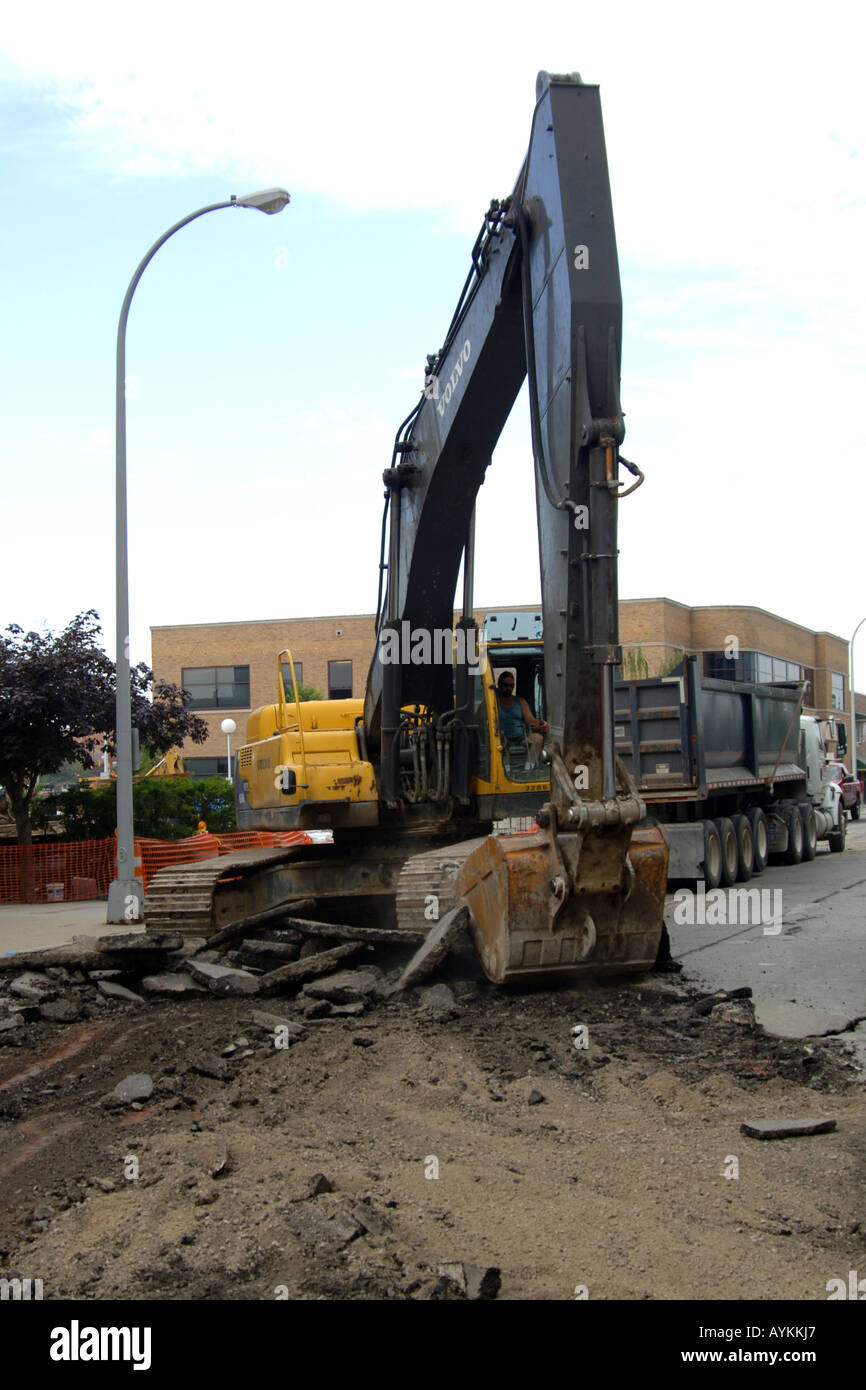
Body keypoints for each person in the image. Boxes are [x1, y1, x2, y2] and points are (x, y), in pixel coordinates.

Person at [496, 672, 547, 764]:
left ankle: (528, 769)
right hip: (500, 737)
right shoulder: (492, 703)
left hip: (520, 737)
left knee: (538, 738)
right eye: (505, 685)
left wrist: (541, 724)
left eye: (511, 685)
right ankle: (505, 770)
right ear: (499, 685)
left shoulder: (520, 701)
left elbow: (531, 721)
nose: (508, 688)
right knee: (502, 740)